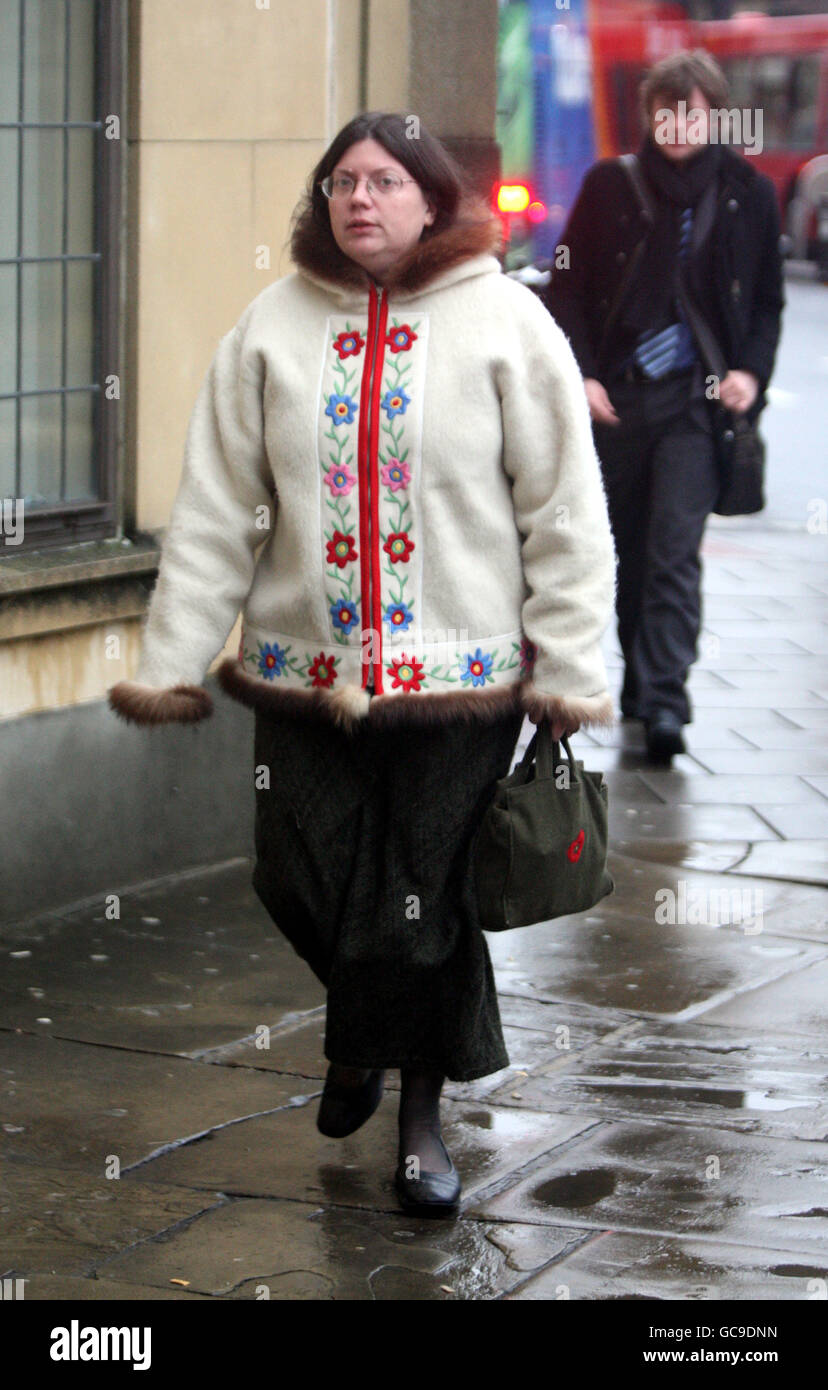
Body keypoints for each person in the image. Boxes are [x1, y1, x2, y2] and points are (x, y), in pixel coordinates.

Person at [108, 111, 616, 1215]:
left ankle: (421, 1121)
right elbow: (216, 513)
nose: (361, 199)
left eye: (386, 181)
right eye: (342, 181)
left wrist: (569, 664)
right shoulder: (270, 327)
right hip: (303, 674)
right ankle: (358, 1032)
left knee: (420, 906)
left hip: (461, 683)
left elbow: (566, 512)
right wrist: (174, 658)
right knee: (296, 873)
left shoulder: (507, 324)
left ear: (433, 200)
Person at [545, 49, 784, 763]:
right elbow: (567, 287)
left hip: (696, 403)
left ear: (715, 115)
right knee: (626, 553)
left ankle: (664, 701)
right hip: (618, 399)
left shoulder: (748, 191)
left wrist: (749, 374)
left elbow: (768, 302)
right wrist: (583, 376)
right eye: (664, 111)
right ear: (649, 115)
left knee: (675, 551)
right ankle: (642, 676)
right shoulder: (608, 185)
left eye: (692, 112)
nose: (677, 124)